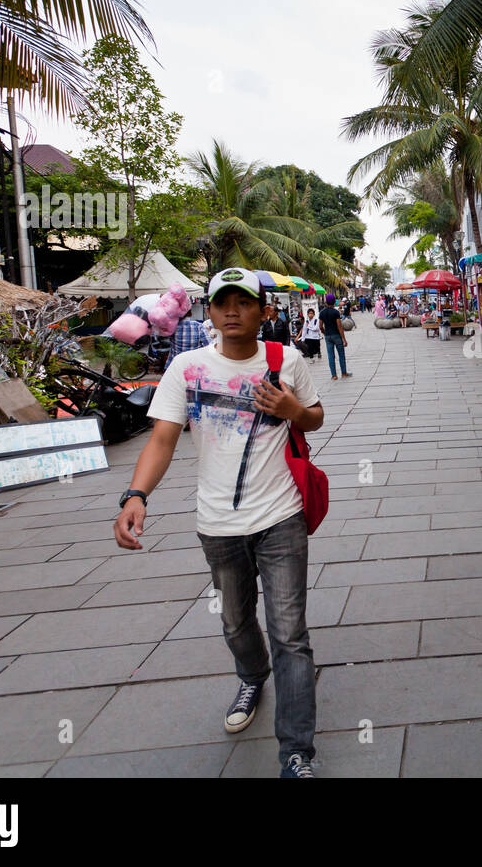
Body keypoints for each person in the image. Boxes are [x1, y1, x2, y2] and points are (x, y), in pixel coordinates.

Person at [113, 267, 324, 778]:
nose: (232, 310)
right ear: (209, 311)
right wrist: (136, 494)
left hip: (281, 517)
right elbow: (162, 438)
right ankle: (252, 677)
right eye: (221, 302)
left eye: (244, 302)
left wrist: (293, 408)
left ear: (262, 311)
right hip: (217, 524)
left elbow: (315, 417)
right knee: (235, 621)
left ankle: (296, 754)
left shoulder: (286, 360)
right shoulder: (186, 368)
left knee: (290, 633)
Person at [319, 292, 351, 380]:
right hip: (336, 335)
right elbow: (339, 326)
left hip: (328, 336)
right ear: (334, 302)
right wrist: (344, 339)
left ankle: (334, 375)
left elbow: (320, 326)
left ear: (326, 302)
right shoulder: (336, 312)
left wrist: (324, 333)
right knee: (341, 354)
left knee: (330, 356)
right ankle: (344, 373)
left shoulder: (322, 313)